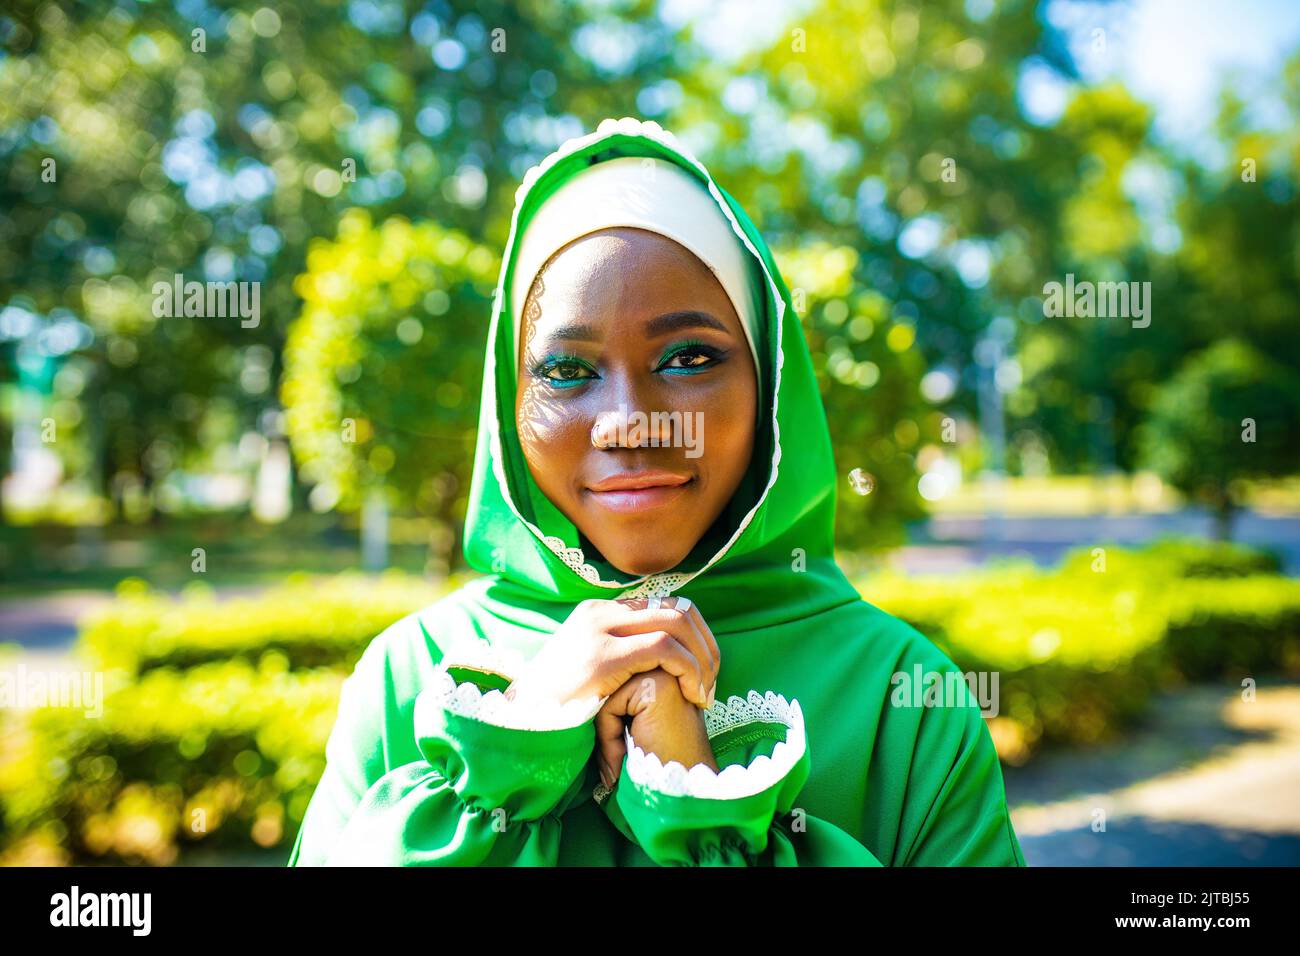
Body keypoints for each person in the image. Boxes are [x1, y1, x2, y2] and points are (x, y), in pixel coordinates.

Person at [288, 117, 1026, 867]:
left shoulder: (903, 700)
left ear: (769, 384)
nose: (627, 425)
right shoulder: (410, 677)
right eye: (565, 372)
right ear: (508, 406)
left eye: (688, 357)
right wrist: (511, 756)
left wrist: (695, 797)